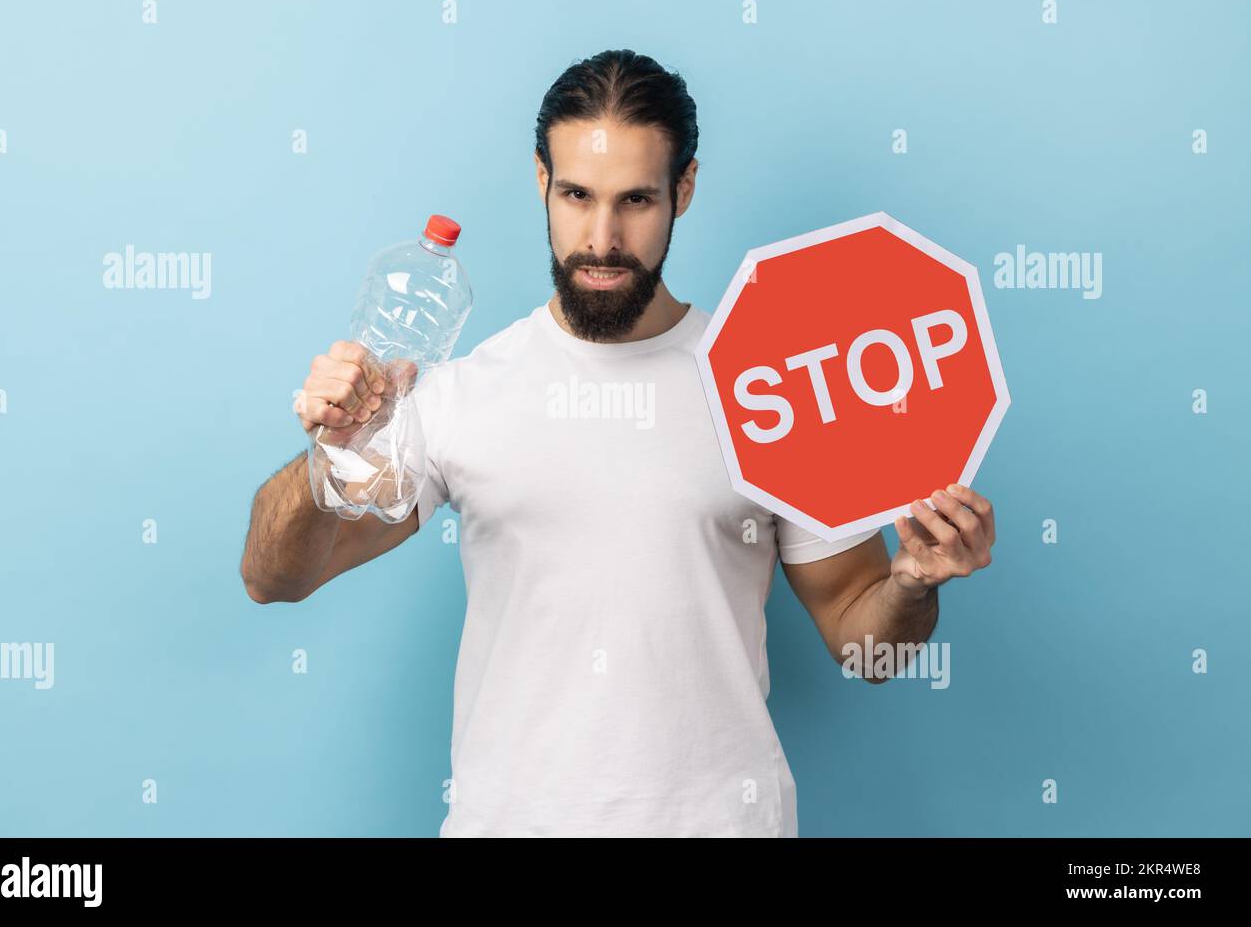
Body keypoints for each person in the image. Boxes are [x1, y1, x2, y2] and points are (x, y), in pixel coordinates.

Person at [240, 49, 997, 837]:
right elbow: (273, 578)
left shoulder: (769, 390)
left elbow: (861, 641)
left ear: (685, 190)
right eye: (576, 196)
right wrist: (333, 451)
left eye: (635, 199)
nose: (601, 239)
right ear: (542, 184)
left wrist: (913, 583)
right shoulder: (465, 389)